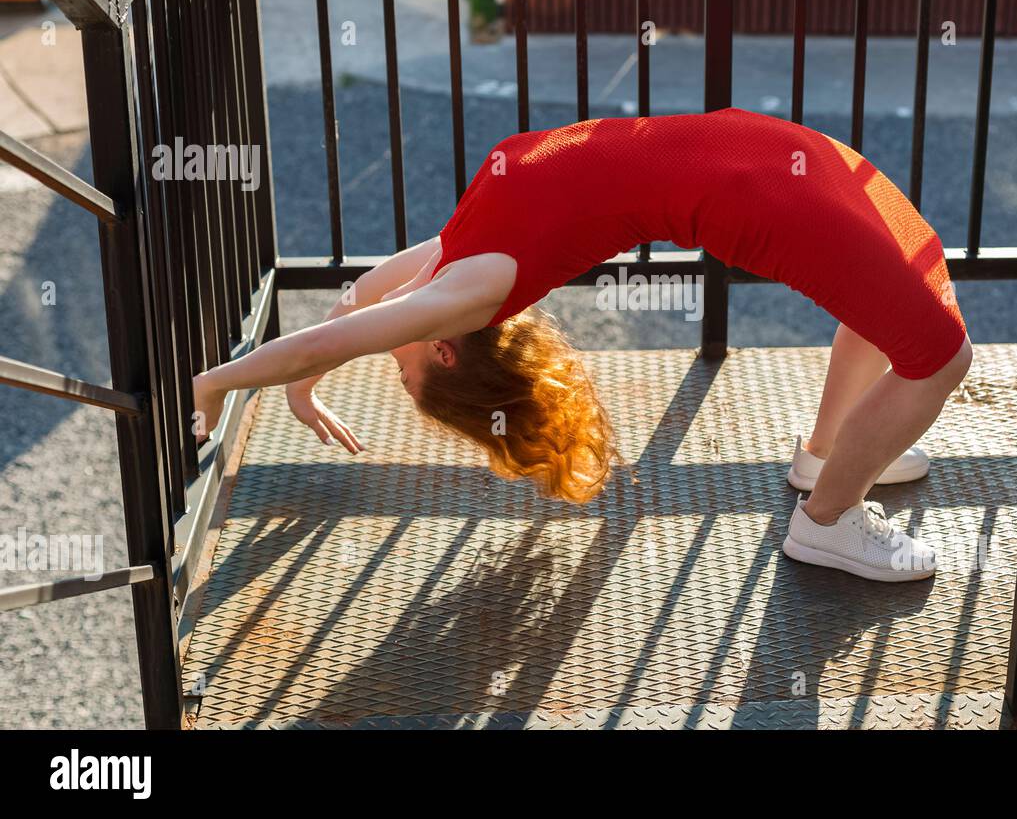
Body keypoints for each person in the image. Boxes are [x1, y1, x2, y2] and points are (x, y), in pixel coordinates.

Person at [193, 108, 971, 582]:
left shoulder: (456, 272)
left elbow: (351, 309)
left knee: (906, 286)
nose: (386, 351)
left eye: (397, 374)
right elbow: (345, 327)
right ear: (444, 345)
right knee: (941, 353)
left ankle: (826, 461)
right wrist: (287, 375)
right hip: (760, 187)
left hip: (759, 158)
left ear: (442, 355)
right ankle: (829, 523)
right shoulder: (464, 291)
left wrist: (229, 383)